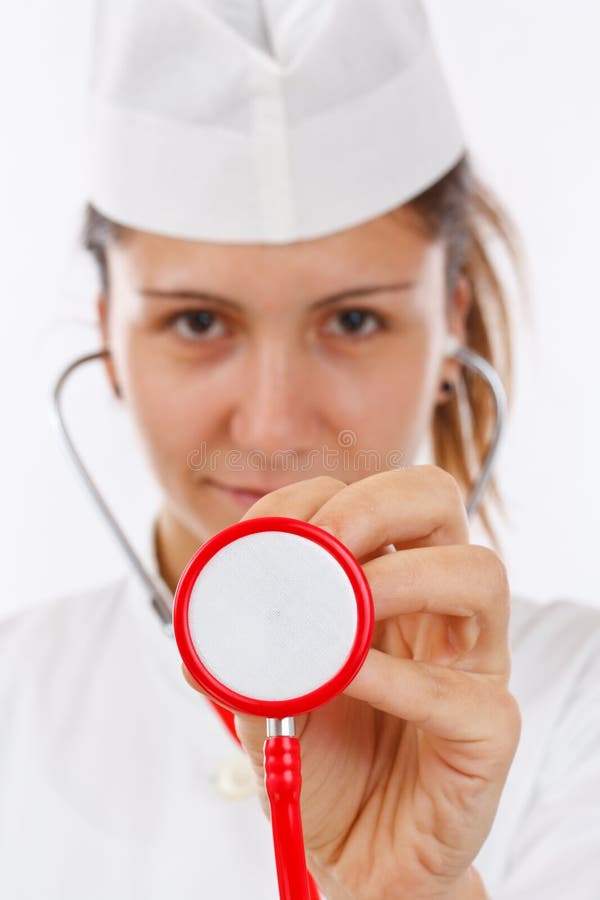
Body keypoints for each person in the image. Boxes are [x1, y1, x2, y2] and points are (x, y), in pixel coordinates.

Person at [1, 1, 599, 897]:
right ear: (107, 336)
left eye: (355, 320)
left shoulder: (579, 708)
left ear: (451, 331)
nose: (275, 428)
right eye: (197, 322)